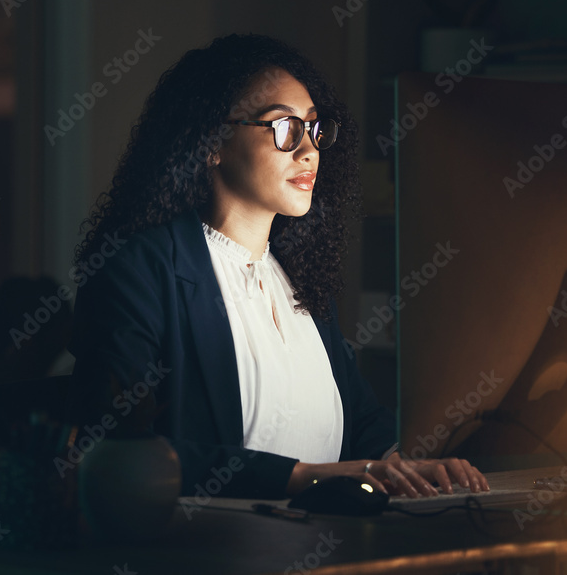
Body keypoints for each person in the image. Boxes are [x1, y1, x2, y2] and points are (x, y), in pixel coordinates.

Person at [65, 33, 488, 500]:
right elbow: (122, 449)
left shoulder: (296, 274)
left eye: (314, 129)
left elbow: (361, 417)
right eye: (284, 128)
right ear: (211, 144)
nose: (309, 151)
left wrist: (404, 465)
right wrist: (307, 476)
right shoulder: (137, 271)